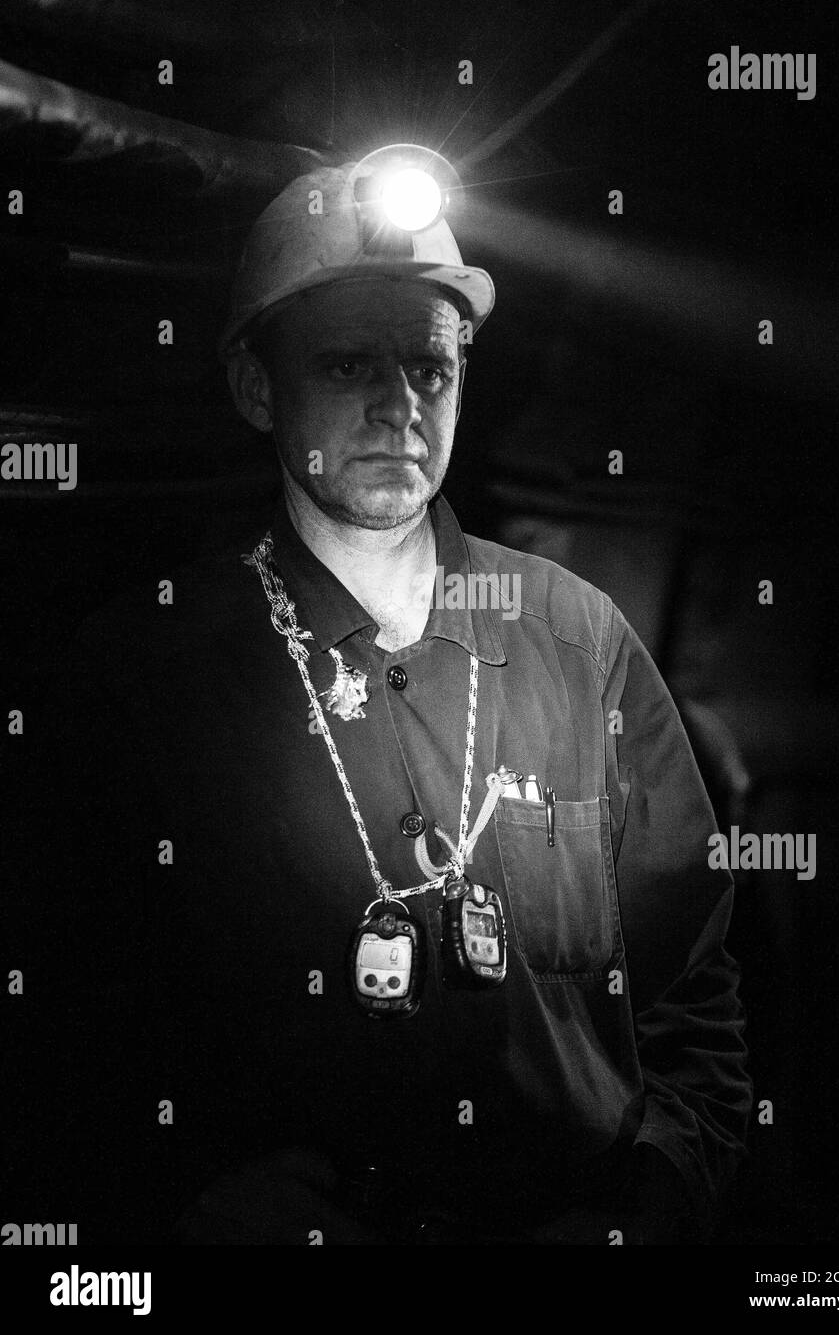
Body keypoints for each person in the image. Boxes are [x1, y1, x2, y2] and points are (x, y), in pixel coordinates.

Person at [21, 153, 751, 1245]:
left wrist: (647, 1202)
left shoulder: (576, 637)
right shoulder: (140, 672)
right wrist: (173, 1193)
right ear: (257, 386)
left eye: (429, 366)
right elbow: (57, 1015)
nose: (400, 405)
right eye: (351, 364)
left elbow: (693, 988)